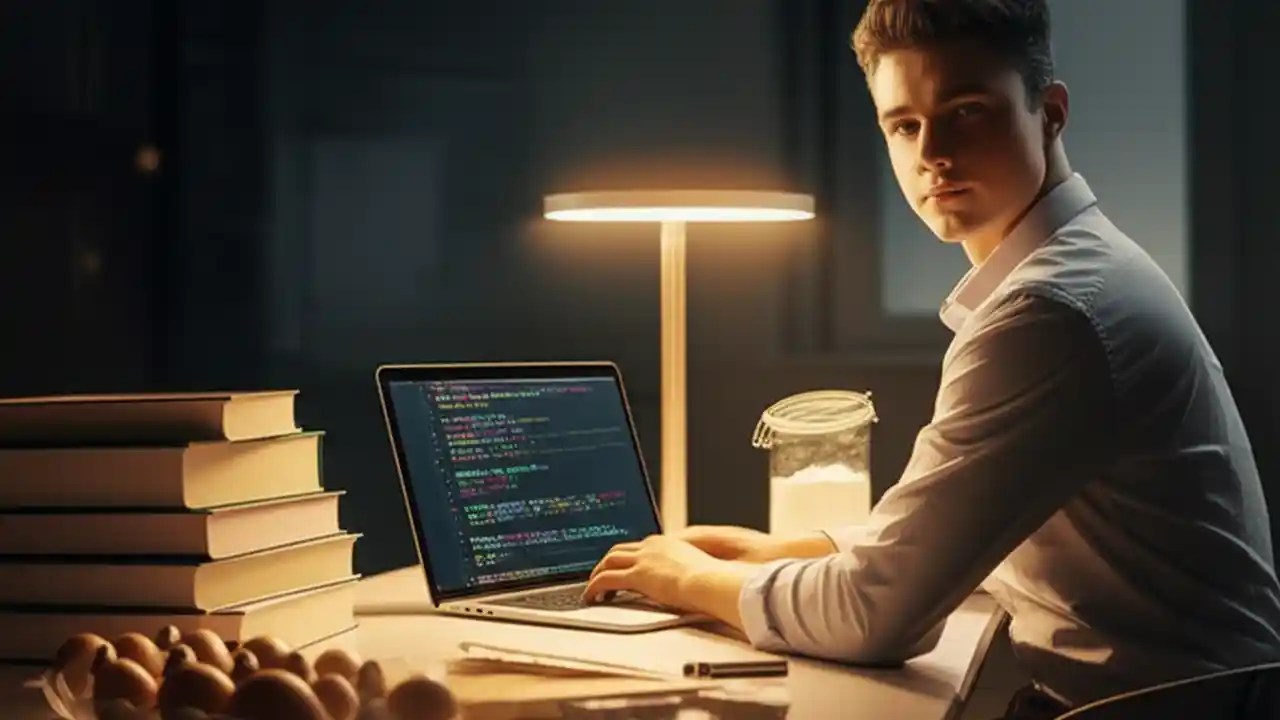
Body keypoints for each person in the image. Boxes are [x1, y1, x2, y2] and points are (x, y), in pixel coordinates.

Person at [582, 0, 1280, 717]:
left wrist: (685, 579)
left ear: (1050, 112)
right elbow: (954, 529)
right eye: (904, 125)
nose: (931, 154)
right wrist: (788, 549)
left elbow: (875, 616)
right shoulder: (1081, 271)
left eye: (966, 112)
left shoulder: (1051, 312)